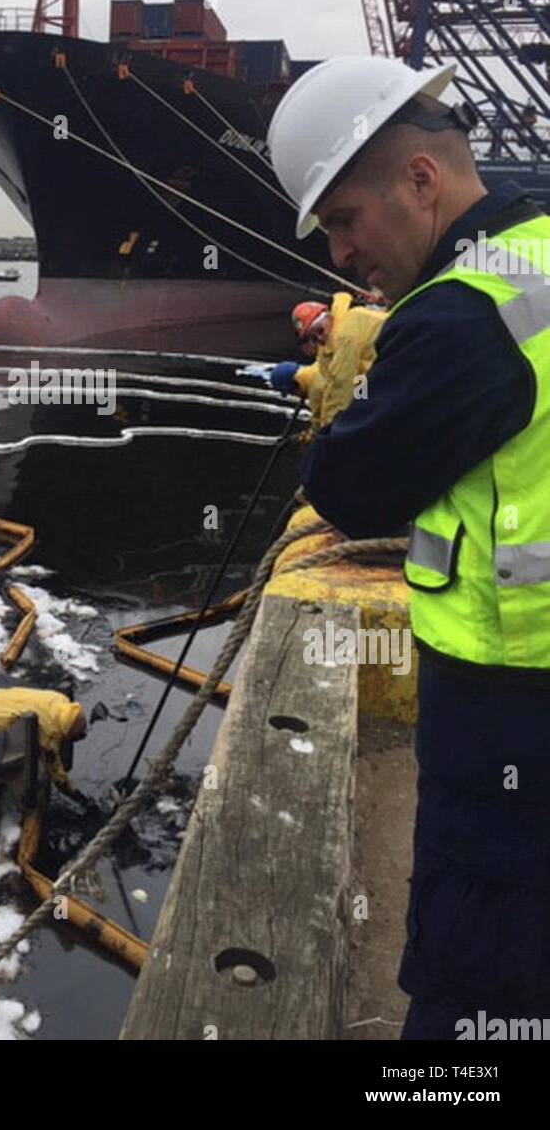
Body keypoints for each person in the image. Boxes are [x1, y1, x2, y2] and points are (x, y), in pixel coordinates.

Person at [267, 54, 550, 1040]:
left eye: (344, 219)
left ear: (421, 181)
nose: (341, 254)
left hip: (510, 704)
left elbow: (346, 488)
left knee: (475, 980)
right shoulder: (539, 248)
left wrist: (346, 388)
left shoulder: (463, 316)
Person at [270, 292, 386, 429]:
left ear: (329, 318)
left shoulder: (344, 337)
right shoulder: (331, 347)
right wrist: (360, 403)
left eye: (320, 331)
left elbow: (341, 383)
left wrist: (329, 429)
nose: (319, 339)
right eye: (313, 338)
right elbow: (360, 375)